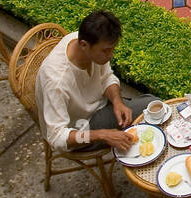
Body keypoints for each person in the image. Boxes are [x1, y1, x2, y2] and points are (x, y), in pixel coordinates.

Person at [35, 10, 149, 156]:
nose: (111, 55)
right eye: (106, 51)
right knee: (148, 115)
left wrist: (117, 101)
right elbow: (56, 137)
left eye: (112, 49)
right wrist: (102, 135)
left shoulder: (85, 42)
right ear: (84, 45)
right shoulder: (56, 81)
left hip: (99, 107)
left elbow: (107, 76)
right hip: (79, 130)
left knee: (153, 106)